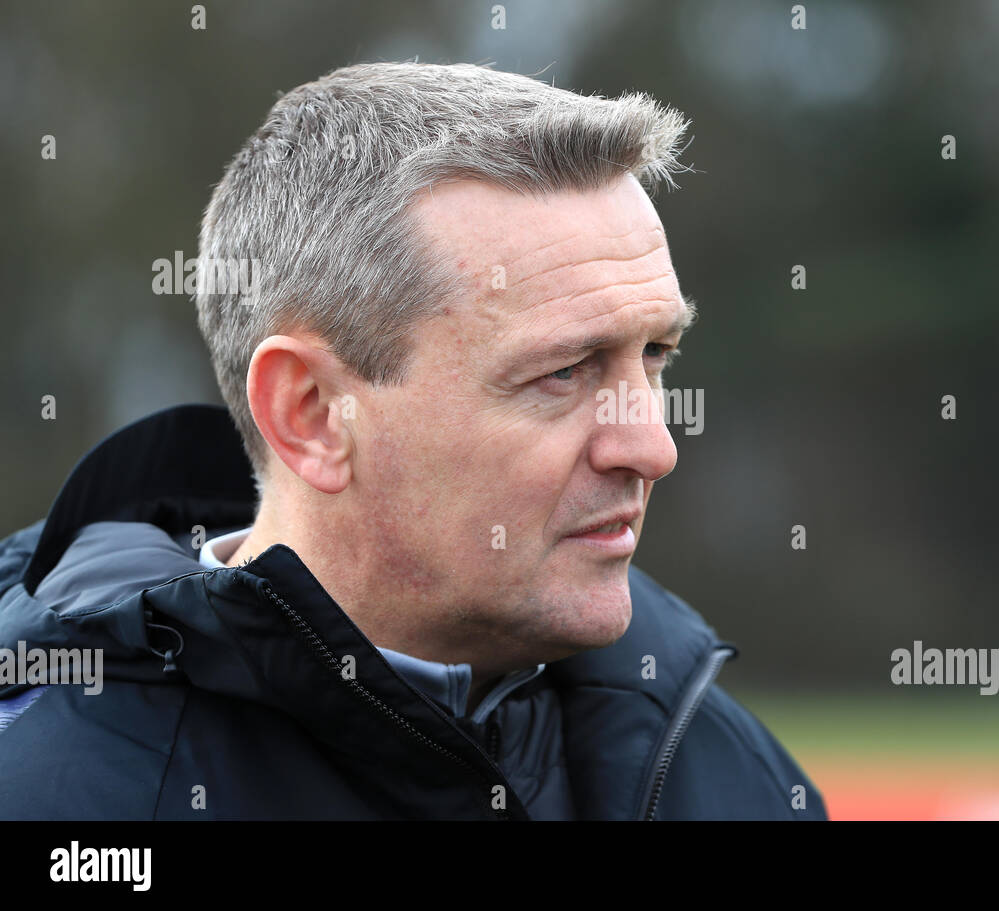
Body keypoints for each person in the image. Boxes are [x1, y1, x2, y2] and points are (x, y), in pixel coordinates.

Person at [0, 62, 827, 820]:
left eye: (653, 356)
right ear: (313, 414)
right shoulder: (67, 798)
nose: (652, 447)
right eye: (564, 373)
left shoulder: (720, 770)